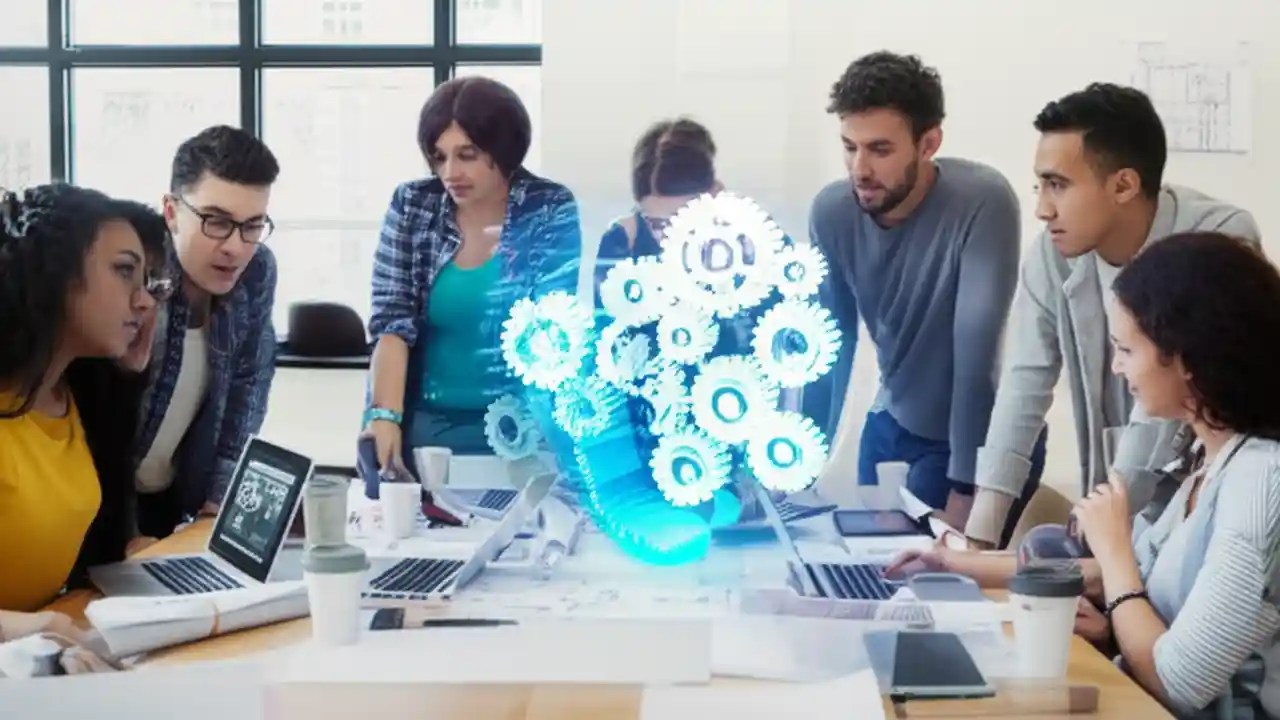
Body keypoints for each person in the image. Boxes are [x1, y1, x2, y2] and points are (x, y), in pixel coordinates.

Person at [891, 232, 1280, 718]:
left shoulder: (1261, 479)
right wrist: (951, 563)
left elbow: (1178, 680)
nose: (1117, 367)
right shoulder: (1209, 456)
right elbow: (1124, 579)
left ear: (1186, 359)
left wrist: (1115, 551)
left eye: (1126, 350)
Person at [965, 84, 1262, 549]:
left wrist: (1101, 529)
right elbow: (1022, 386)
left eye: (1058, 185)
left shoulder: (1216, 240)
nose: (1043, 209)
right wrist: (977, 537)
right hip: (1115, 519)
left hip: (1204, 518)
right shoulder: (1053, 252)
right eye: (1039, 186)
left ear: (1123, 184)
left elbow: (1163, 410)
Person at [802, 51, 1043, 540]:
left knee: (938, 591)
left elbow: (974, 358)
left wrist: (966, 488)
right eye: (849, 147)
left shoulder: (983, 201)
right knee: (867, 576)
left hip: (980, 440)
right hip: (892, 424)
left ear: (928, 143)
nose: (860, 168)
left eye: (880, 149)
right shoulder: (830, 212)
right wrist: (801, 466)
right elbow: (829, 348)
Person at [365, 76, 582, 471]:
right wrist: (384, 418)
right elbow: (392, 323)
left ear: (503, 150)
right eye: (439, 156)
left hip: (523, 429)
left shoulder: (549, 207)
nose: (450, 172)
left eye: (467, 155)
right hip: (426, 425)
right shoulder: (413, 205)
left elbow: (551, 331)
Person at [0, 184, 169, 612]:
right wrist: (23, 630)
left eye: (146, 280)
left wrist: (130, 376)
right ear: (55, 274)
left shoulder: (78, 394)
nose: (144, 299)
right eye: (124, 271)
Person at [133, 125, 281, 539]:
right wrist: (118, 533)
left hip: (175, 499)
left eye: (253, 225)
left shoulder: (257, 270)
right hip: (102, 505)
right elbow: (99, 421)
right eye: (216, 221)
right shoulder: (137, 280)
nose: (235, 247)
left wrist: (217, 505)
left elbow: (249, 385)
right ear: (171, 212)